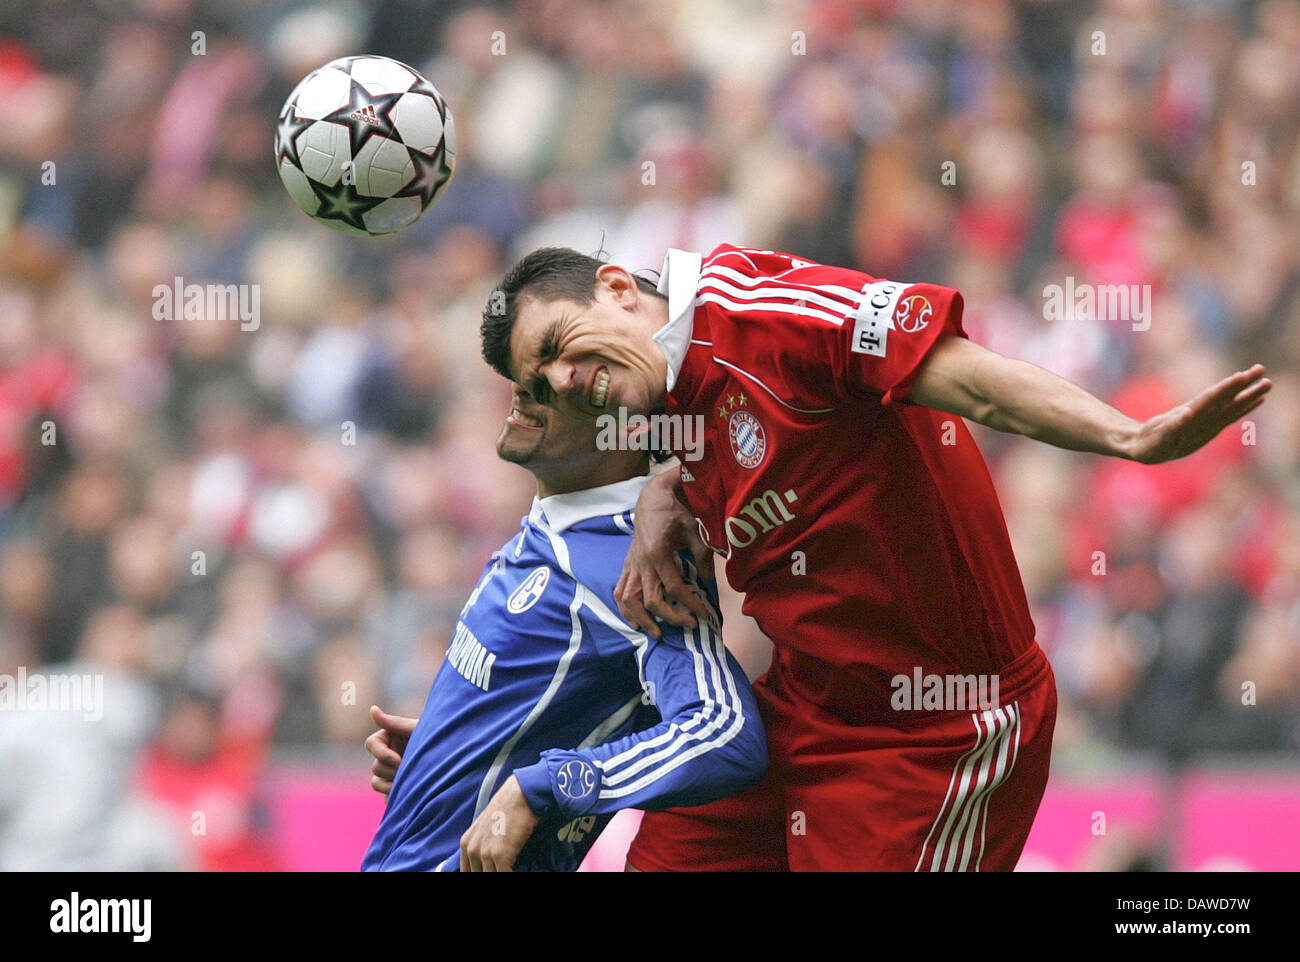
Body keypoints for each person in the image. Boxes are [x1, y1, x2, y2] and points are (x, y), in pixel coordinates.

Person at [479, 243, 1271, 871]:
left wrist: (1127, 438)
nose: (564, 379)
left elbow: (977, 386)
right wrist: (665, 490)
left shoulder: (770, 313)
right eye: (539, 382)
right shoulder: (652, 395)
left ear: (618, 287)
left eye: (554, 345)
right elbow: (706, 440)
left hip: (940, 734)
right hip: (803, 708)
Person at [361, 383, 766, 872]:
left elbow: (727, 733)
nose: (523, 389)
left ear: (629, 428)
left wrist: (546, 785)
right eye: (526, 369)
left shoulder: (637, 567)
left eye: (559, 381)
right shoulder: (546, 532)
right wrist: (447, 754)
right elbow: (586, 708)